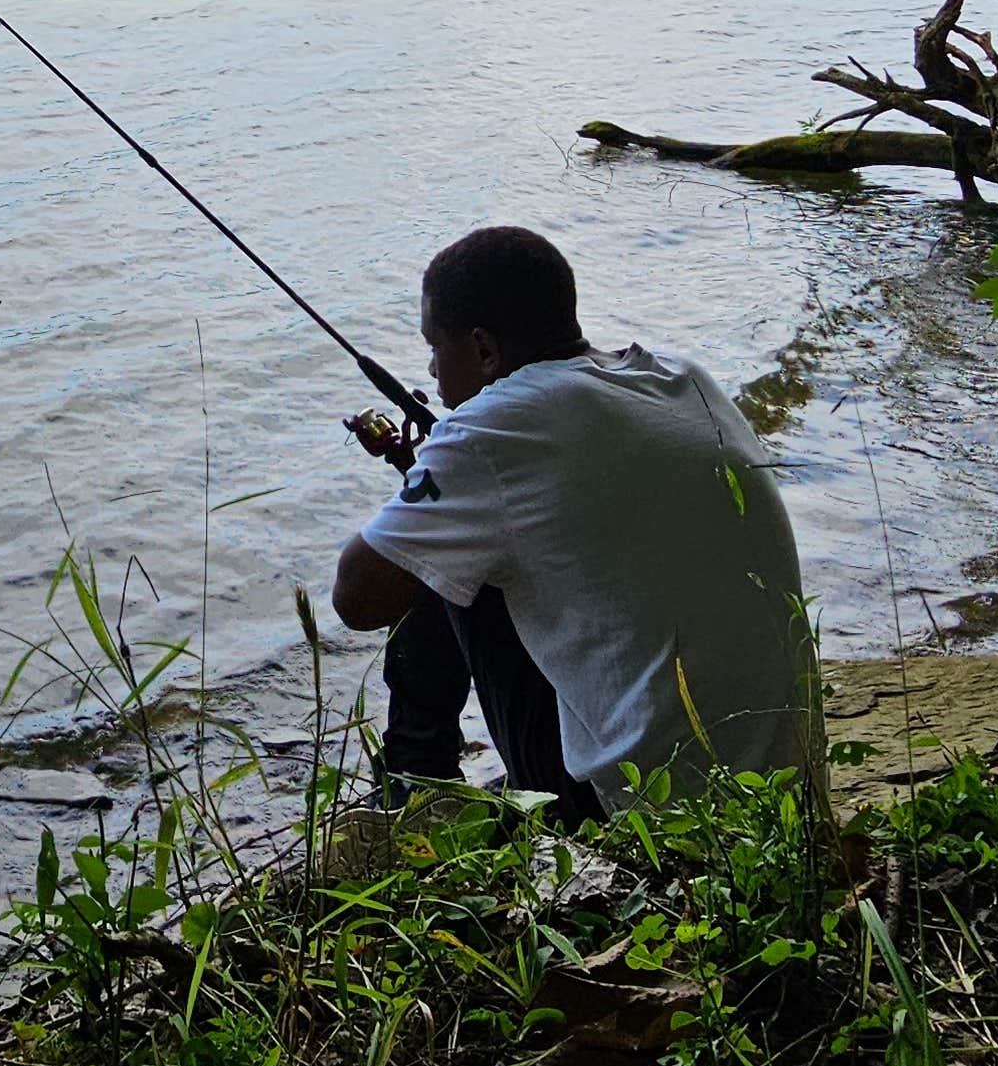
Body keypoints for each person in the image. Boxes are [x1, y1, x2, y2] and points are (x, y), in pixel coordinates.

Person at [329, 223, 813, 824]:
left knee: (431, 564)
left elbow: (356, 597)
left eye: (435, 348)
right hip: (781, 792)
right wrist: (431, 472)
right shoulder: (684, 378)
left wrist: (442, 475)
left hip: (645, 813)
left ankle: (417, 786)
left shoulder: (494, 429)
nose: (430, 370)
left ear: (483, 350)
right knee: (450, 543)